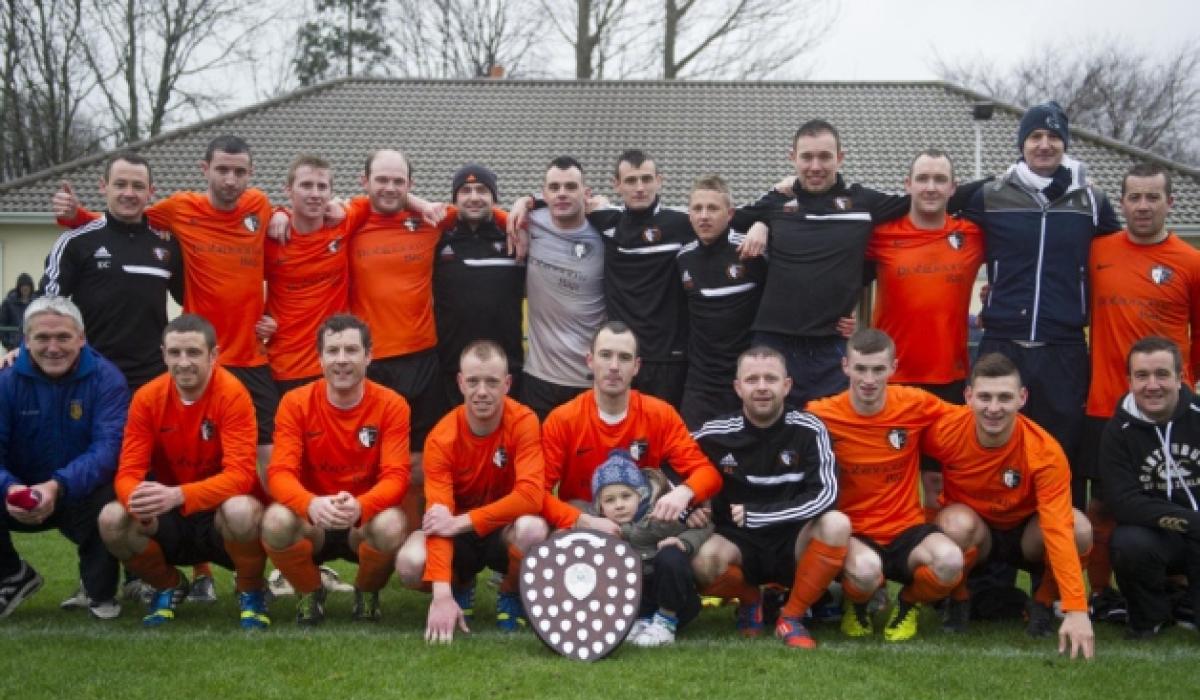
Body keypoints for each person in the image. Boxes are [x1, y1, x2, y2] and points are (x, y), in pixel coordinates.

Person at [54, 135, 280, 470]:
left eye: (238, 171)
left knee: (266, 444)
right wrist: (78, 216)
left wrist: (284, 213)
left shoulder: (260, 206)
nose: (230, 179)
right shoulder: (179, 209)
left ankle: (264, 517)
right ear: (205, 169)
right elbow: (126, 220)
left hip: (251, 352)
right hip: (200, 355)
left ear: (251, 173)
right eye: (222, 169)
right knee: (198, 445)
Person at [963, 101, 1121, 505]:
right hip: (1002, 344)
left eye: (1054, 137)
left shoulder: (1092, 201)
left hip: (1064, 348)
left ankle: (1055, 563)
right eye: (1036, 136)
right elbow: (923, 208)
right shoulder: (990, 195)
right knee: (994, 455)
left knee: (1060, 457)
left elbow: (1120, 256)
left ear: (1065, 144)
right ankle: (993, 560)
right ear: (1022, 144)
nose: (1045, 144)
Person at [97, 314, 269, 628]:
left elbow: (242, 475)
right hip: (170, 514)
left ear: (213, 355)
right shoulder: (147, 398)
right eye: (175, 353)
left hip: (219, 516)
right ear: (163, 354)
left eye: (193, 352)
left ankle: (250, 588)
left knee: (242, 509)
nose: (184, 362)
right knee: (112, 518)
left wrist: (178, 495)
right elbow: (128, 472)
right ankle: (168, 584)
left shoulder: (233, 394)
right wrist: (135, 499)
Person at [1083, 163, 1200, 618]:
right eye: (1135, 197)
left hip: (1169, 405)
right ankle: (1101, 594)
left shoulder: (1190, 261)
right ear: (1123, 202)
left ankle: (1178, 591)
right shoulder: (1096, 252)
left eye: (1154, 197)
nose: (1144, 206)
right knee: (1103, 504)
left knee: (1175, 495)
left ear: (1171, 203)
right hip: (1104, 402)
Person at [927, 353, 1094, 659]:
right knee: (953, 524)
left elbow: (1057, 527)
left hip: (1026, 536)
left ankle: (1043, 603)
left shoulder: (1045, 452)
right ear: (968, 397)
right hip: (978, 534)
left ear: (1022, 398)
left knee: (1079, 527)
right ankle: (959, 599)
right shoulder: (944, 431)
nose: (993, 408)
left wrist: (1076, 607)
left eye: (1004, 397)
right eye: (985, 397)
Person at [731, 119, 909, 405]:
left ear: (840, 158)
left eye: (825, 157)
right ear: (793, 158)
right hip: (773, 343)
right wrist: (762, 219)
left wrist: (990, 190)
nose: (815, 166)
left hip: (832, 348)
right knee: (772, 435)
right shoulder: (776, 205)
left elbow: (928, 201)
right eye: (807, 157)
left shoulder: (863, 203)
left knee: (831, 436)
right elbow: (725, 221)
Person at [806, 330, 962, 642]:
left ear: (893, 368)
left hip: (906, 529)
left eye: (878, 369)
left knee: (950, 562)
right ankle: (856, 603)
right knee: (864, 572)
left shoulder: (914, 403)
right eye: (861, 368)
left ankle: (908, 603)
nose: (869, 379)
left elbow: (968, 423)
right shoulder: (820, 414)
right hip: (855, 532)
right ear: (845, 366)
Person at [692, 346, 850, 649]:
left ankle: (792, 616)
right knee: (703, 561)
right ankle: (751, 599)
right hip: (738, 541)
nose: (762, 387)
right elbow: (672, 464)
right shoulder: (714, 433)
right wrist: (692, 503)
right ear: (738, 388)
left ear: (786, 385)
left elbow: (827, 495)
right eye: (752, 379)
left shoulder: (810, 428)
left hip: (794, 540)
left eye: (770, 378)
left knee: (836, 524)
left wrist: (761, 514)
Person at [262, 314, 411, 625]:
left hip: (362, 521)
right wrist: (311, 504)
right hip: (314, 520)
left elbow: (396, 476)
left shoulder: (392, 404)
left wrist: (361, 506)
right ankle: (309, 591)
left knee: (393, 523)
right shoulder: (295, 403)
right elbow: (279, 474)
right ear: (319, 358)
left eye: (351, 350)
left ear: (369, 355)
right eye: (332, 351)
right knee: (275, 520)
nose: (341, 360)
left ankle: (366, 592)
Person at [394, 340, 546, 641]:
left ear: (507, 384)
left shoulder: (525, 421)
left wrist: (462, 521)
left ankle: (512, 592)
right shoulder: (441, 438)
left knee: (533, 529)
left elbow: (531, 495)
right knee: (409, 563)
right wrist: (440, 595)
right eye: (473, 381)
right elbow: (439, 517)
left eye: (492, 382)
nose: (482, 391)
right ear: (461, 383)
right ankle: (458, 586)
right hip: (457, 537)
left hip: (500, 529)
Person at [866, 149, 985, 519]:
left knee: (937, 486)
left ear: (953, 188)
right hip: (892, 380)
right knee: (886, 484)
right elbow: (833, 260)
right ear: (908, 185)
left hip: (948, 379)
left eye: (939, 180)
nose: (930, 187)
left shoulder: (972, 235)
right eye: (923, 179)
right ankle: (879, 570)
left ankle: (942, 572)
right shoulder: (881, 235)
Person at [0, 296, 128, 619]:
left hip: (78, 494)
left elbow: (107, 450)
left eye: (63, 337)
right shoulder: (6, 380)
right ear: (26, 340)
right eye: (42, 337)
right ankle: (12, 574)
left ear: (82, 338)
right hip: (19, 495)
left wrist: (57, 485)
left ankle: (99, 590)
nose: (52, 347)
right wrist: (9, 488)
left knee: (114, 490)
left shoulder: (107, 378)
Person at [539, 321, 722, 536]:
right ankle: (516, 570)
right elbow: (535, 492)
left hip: (643, 522)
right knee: (548, 535)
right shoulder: (562, 420)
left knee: (695, 552)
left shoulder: (660, 414)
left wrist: (684, 493)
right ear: (590, 360)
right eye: (605, 355)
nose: (614, 366)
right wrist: (581, 520)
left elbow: (708, 474)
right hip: (584, 519)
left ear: (636, 366)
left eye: (624, 357)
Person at [42, 152, 184, 390]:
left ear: (151, 191)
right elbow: (46, 306)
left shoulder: (168, 244)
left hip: (153, 379)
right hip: (90, 375)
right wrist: (21, 348)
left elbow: (193, 298)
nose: (128, 193)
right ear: (103, 186)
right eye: (120, 184)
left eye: (138, 186)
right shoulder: (76, 242)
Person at [1100, 336, 1200, 638]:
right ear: (1129, 380)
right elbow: (1123, 502)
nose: (1152, 385)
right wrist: (1192, 522)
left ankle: (1189, 606)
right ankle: (1149, 616)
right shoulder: (1117, 431)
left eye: (1162, 374)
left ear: (1180, 377)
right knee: (1128, 542)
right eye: (1142, 376)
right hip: (1156, 535)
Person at [590, 450, 712, 647]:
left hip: (671, 593)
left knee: (671, 556)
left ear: (641, 495)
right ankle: (638, 620)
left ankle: (666, 621)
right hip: (634, 595)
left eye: (625, 496)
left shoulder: (661, 516)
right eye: (610, 500)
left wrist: (683, 542)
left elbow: (705, 524)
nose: (619, 505)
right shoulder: (600, 527)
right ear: (600, 506)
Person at [517, 157, 607, 419]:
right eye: (554, 188)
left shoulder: (606, 230)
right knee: (540, 459)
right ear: (543, 193)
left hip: (589, 380)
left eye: (570, 187)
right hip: (538, 378)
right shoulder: (529, 223)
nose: (562, 194)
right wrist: (521, 203)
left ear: (586, 193)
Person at [676, 175, 766, 428]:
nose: (704, 216)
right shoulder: (683, 259)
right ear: (689, 214)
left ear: (730, 214)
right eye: (697, 208)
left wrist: (763, 224)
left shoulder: (751, 251)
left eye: (713, 208)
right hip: (701, 380)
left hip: (746, 378)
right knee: (691, 453)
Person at [434, 165, 525, 406]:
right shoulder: (438, 238)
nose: (474, 197)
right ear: (455, 199)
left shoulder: (516, 237)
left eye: (482, 190)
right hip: (451, 369)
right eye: (465, 190)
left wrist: (525, 204)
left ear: (494, 197)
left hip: (507, 368)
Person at [262, 154, 349, 394]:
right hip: (285, 365)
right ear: (288, 190)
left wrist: (425, 206)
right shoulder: (268, 238)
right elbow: (236, 282)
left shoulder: (345, 225)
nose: (315, 193)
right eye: (306, 185)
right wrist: (255, 318)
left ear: (331, 193)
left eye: (322, 187)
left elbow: (390, 194)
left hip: (335, 365)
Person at [0, 272, 34, 351]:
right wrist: (7, 343)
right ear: (18, 287)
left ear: (31, 287)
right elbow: (2, 324)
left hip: (33, 346)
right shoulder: (8, 303)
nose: (25, 288)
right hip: (14, 347)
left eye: (27, 286)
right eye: (23, 286)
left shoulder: (36, 303)